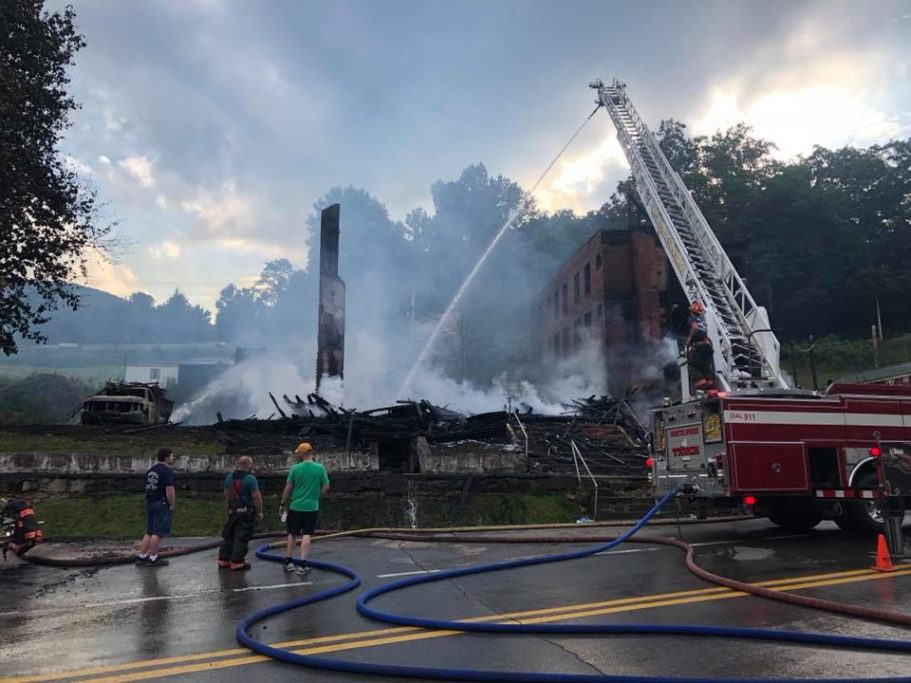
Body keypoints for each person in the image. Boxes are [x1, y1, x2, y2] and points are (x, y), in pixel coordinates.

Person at [279, 442, 329, 575]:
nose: (298, 455)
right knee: (307, 534)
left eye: (299, 453)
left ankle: (288, 562)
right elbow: (326, 487)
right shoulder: (319, 468)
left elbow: (288, 488)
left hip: (295, 506)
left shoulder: (295, 468)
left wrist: (283, 503)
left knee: (292, 533)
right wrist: (318, 496)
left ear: (302, 453)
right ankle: (302, 565)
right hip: (312, 507)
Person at [217, 456, 264, 571]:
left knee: (229, 535)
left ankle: (223, 559)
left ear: (238, 464)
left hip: (232, 511)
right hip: (245, 513)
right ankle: (237, 562)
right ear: (249, 465)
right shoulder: (250, 479)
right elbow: (256, 497)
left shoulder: (229, 478)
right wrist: (260, 511)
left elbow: (226, 495)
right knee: (241, 537)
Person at [137, 447, 176, 567]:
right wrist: (172, 503)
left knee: (149, 531)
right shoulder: (166, 471)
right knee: (158, 532)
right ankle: (153, 557)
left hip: (150, 501)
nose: (173, 458)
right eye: (172, 456)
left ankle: (142, 556)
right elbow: (169, 489)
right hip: (161, 502)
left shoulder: (151, 470)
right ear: (166, 457)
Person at [686, 301, 715, 392]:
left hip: (699, 347)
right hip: (707, 347)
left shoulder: (692, 318)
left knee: (691, 365)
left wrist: (689, 339)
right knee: (705, 366)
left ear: (692, 311)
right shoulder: (703, 320)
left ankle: (701, 383)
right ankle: (710, 384)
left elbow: (694, 327)